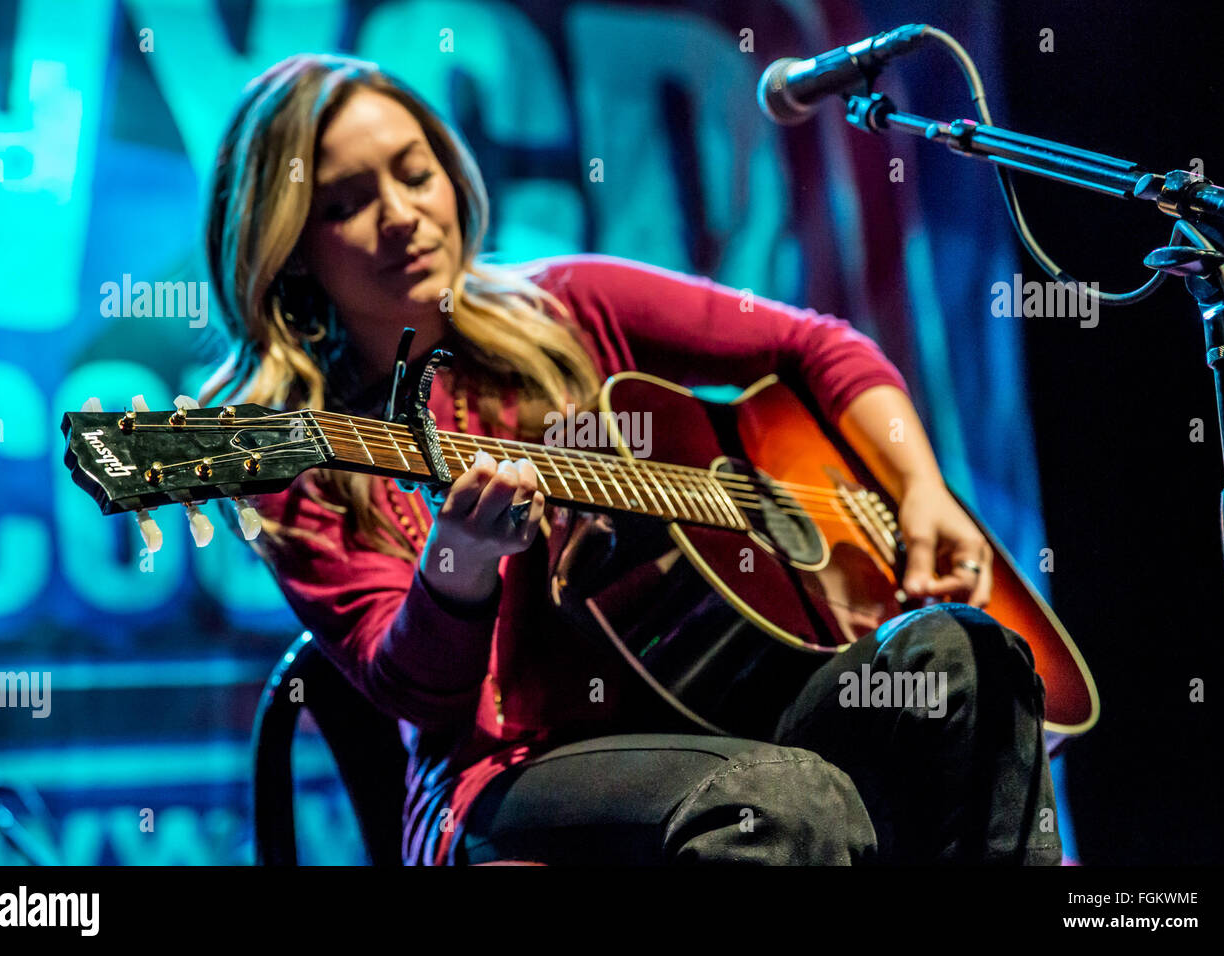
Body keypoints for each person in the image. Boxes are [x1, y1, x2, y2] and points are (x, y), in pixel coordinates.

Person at [201, 53, 1060, 866]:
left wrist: (920, 492)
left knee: (968, 658)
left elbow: (816, 345)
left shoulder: (569, 305)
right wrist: (458, 565)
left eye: (415, 172)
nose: (401, 214)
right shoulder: (287, 452)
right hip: (505, 777)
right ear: (290, 247)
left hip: (721, 708)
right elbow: (417, 696)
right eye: (347, 202)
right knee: (777, 800)